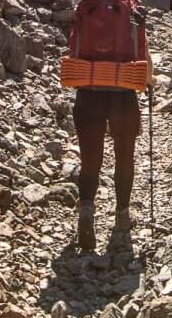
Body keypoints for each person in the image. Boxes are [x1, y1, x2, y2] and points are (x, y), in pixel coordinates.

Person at [72, 83, 142, 249]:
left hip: (88, 95)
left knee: (89, 160)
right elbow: (145, 72)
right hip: (124, 97)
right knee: (124, 157)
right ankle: (122, 216)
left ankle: (86, 210)